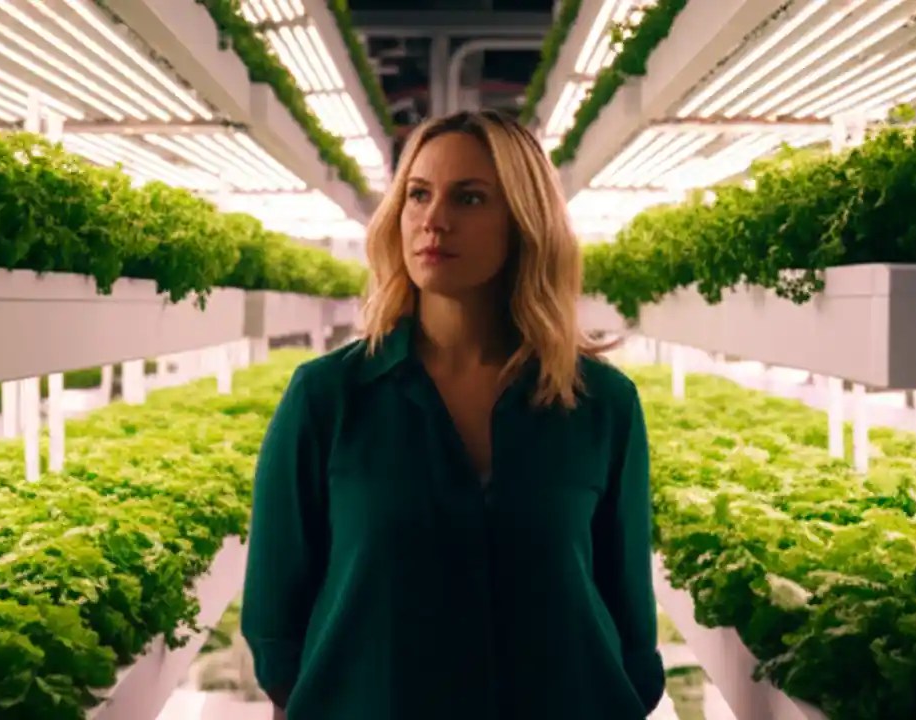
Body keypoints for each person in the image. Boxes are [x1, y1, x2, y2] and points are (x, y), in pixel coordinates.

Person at [240, 109, 665, 720]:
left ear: (524, 222)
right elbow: (276, 625)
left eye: (469, 198)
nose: (434, 220)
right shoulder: (327, 399)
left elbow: (630, 626)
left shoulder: (600, 405)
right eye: (418, 194)